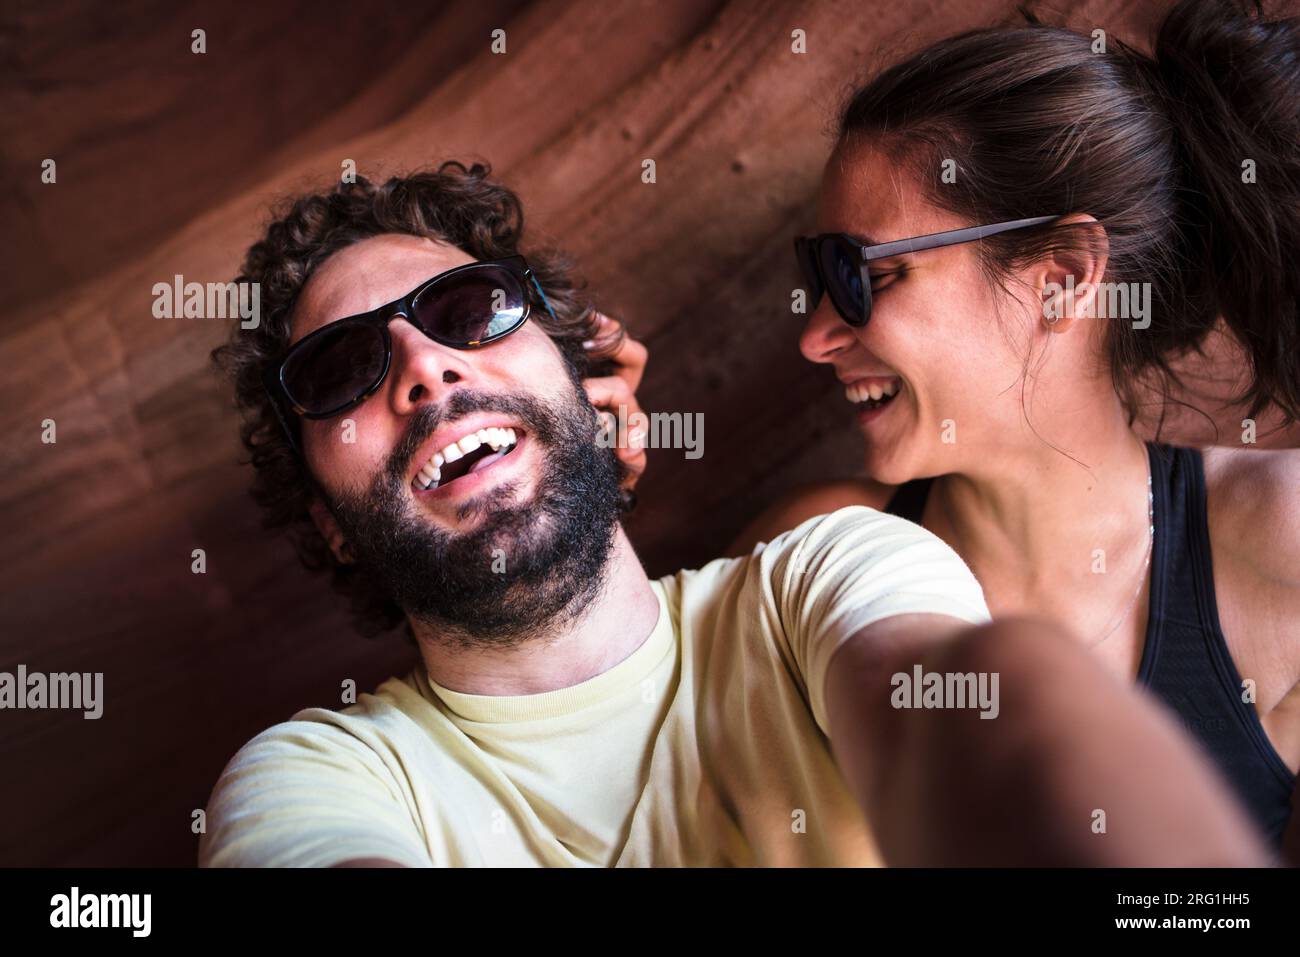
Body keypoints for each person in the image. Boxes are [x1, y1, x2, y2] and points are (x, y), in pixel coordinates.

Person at [200, 163, 1265, 867]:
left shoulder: (824, 579)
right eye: (339, 369)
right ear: (330, 523)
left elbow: (981, 721)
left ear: (600, 396)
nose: (425, 367)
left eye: (468, 310)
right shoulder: (311, 780)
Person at [684, 0, 1299, 851]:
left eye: (864, 275)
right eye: (816, 274)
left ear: (1063, 278)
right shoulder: (814, 553)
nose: (816, 334)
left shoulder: (1277, 544)